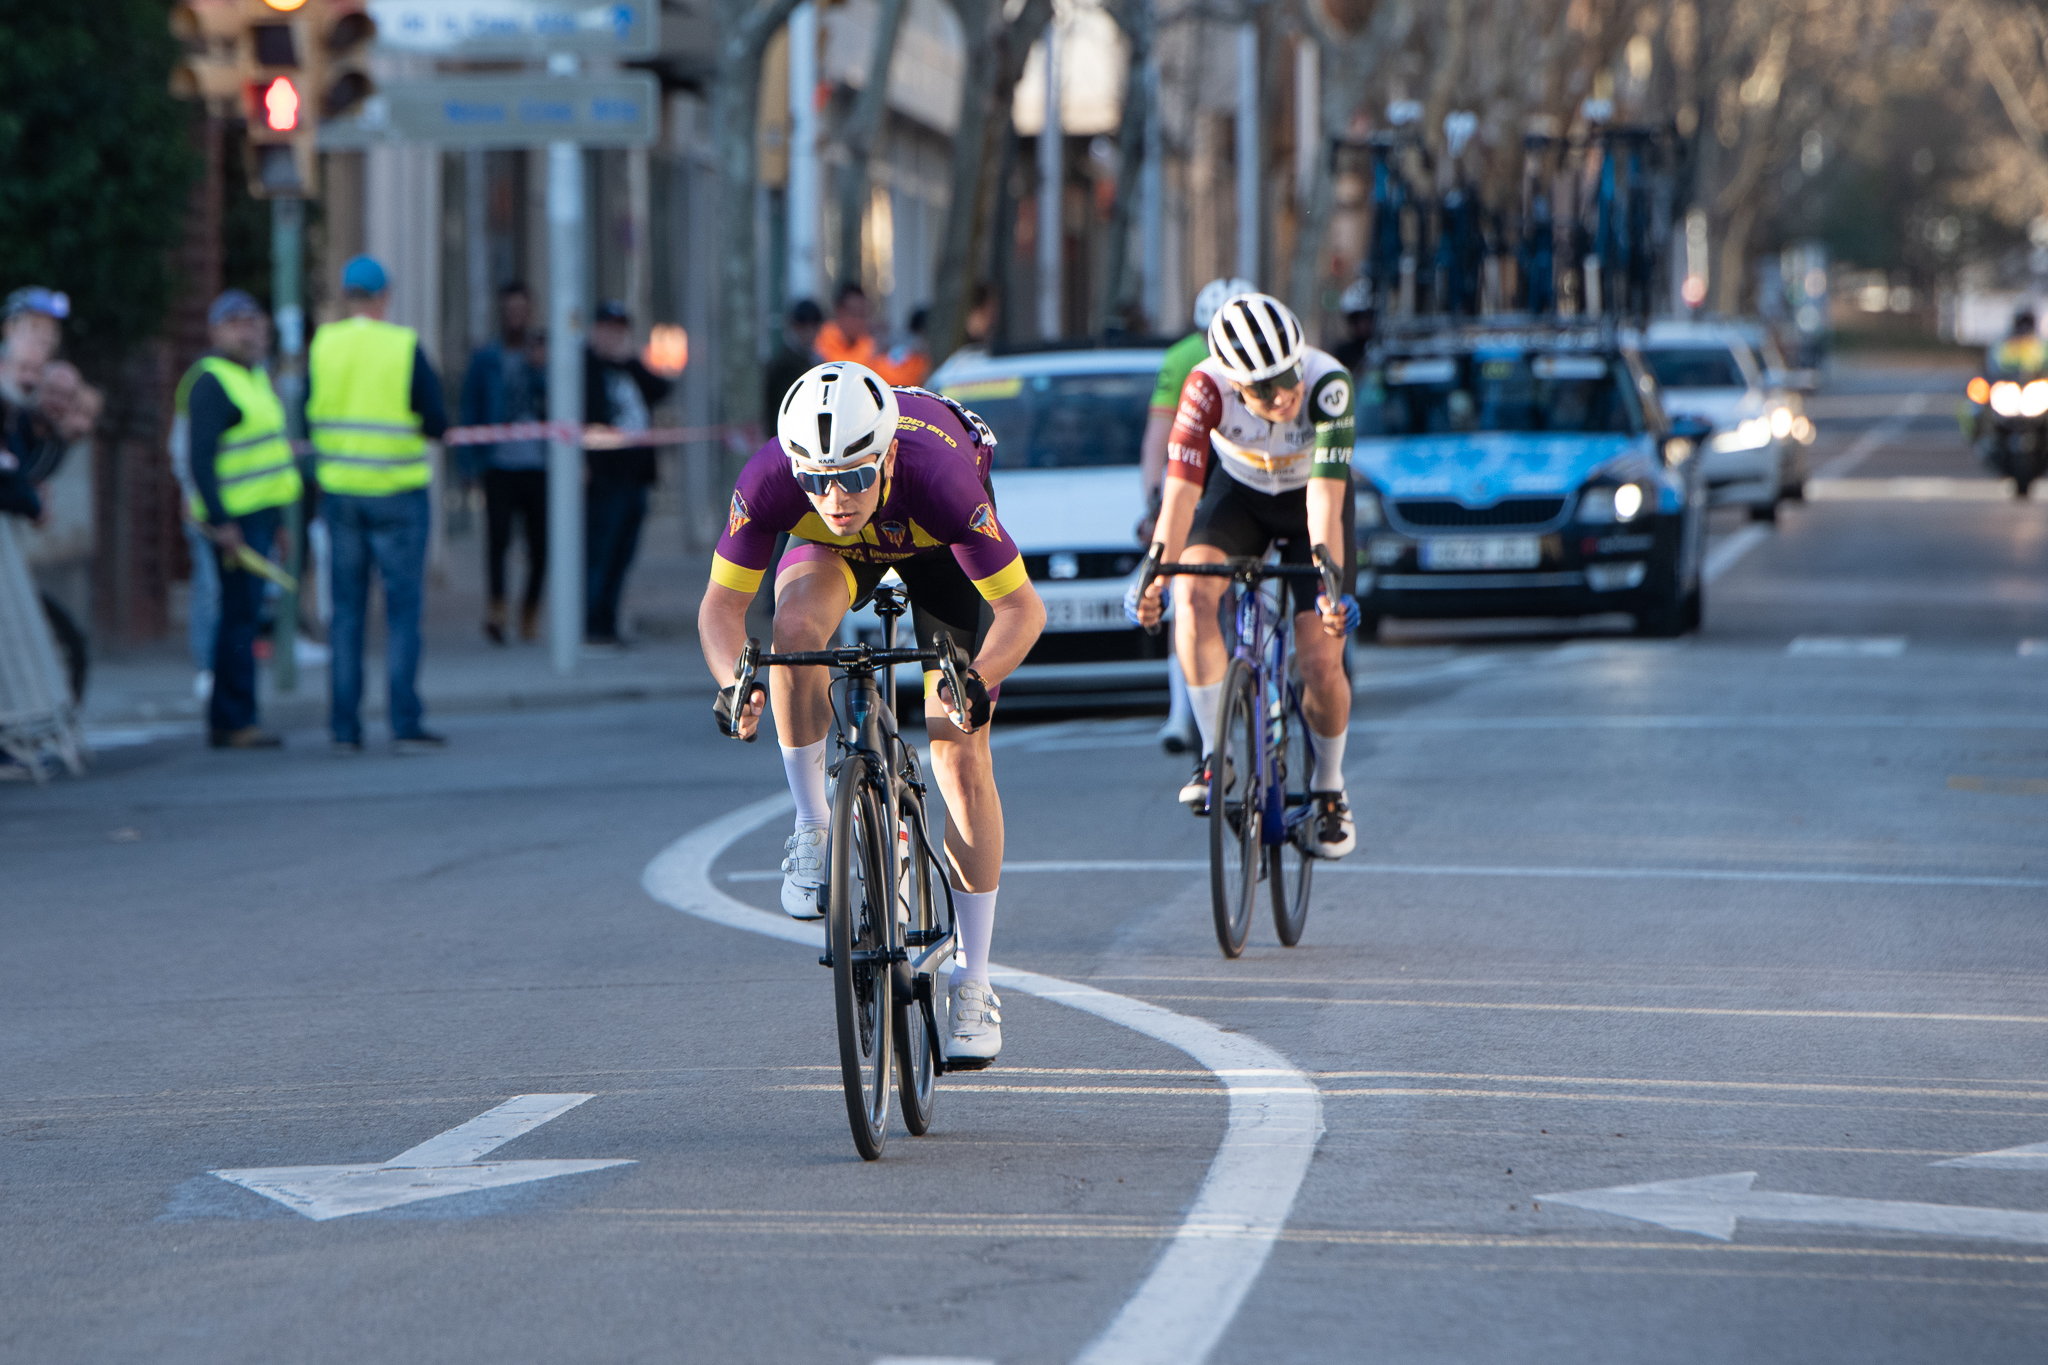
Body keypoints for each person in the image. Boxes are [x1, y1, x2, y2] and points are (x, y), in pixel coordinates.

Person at [698, 362, 1045, 1063]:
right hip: (836, 559)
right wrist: (734, 681)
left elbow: (1022, 609)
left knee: (958, 749)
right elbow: (721, 607)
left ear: (885, 455)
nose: (835, 495)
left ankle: (973, 980)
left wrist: (976, 680)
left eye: (854, 476)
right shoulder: (772, 480)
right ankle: (813, 827)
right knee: (794, 635)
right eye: (816, 479)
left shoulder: (939, 478)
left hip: (933, 542)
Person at [1130, 292, 1359, 859]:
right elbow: (1181, 492)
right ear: (1234, 385)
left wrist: (1330, 586)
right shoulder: (1204, 388)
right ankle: (1215, 757)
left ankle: (1330, 788)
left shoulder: (1329, 384)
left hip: (1312, 502)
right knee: (1192, 590)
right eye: (1264, 389)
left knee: (1320, 657)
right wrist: (1155, 570)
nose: (1285, 395)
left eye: (1287, 377)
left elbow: (1326, 506)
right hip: (1239, 496)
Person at [309, 255, 450, 754]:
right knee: (402, 612)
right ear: (384, 296)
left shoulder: (323, 345)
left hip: (341, 495)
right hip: (398, 495)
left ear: (347, 295)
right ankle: (404, 723)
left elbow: (310, 413)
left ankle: (344, 729)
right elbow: (435, 420)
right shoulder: (402, 345)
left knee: (345, 614)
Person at [175, 290, 303, 750]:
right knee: (239, 620)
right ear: (215, 332)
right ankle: (236, 718)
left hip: (262, 514)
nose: (247, 329)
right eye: (235, 322)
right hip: (237, 519)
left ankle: (228, 719)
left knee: (244, 615)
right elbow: (200, 459)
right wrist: (224, 522)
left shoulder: (254, 377)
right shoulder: (213, 381)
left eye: (253, 320)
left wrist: (283, 523)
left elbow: (270, 454)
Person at [1138, 277, 1253, 755]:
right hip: (1201, 472)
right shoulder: (1183, 357)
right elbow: (1159, 437)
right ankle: (1182, 713)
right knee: (1183, 584)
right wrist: (1153, 500)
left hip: (1255, 473)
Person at [460, 282, 549, 644]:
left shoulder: (542, 355)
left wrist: (540, 369)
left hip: (538, 465)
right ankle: (496, 609)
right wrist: (469, 464)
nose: (516, 317)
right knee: (497, 541)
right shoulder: (486, 358)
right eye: (509, 310)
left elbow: (559, 404)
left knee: (540, 545)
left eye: (521, 310)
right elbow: (470, 409)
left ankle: (529, 611)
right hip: (498, 463)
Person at [582, 300, 674, 647]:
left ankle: (607, 623)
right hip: (605, 476)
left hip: (635, 475)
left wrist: (631, 361)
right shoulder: (586, 366)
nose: (614, 337)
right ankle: (592, 625)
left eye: (621, 330)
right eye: (609, 329)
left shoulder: (629, 367)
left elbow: (662, 389)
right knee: (600, 553)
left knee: (623, 553)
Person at [815, 282, 928, 387]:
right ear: (839, 312)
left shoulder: (866, 341)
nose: (862, 321)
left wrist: (915, 359)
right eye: (857, 314)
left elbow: (894, 379)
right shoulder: (824, 340)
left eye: (865, 314)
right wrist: (873, 354)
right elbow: (844, 370)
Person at [763, 298, 824, 432]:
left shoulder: (818, 360)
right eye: (803, 324)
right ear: (793, 326)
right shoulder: (782, 365)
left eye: (814, 324)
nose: (809, 330)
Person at [1327, 277, 1377, 374]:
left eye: (1368, 317)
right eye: (1357, 318)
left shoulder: (1392, 351)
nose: (1363, 324)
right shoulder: (1344, 353)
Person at [1991, 310, 2045, 376]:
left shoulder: (2039, 345)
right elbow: (1995, 368)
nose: (2024, 328)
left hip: (2034, 380)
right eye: (2022, 325)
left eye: (2026, 325)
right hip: (2006, 380)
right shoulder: (2004, 345)